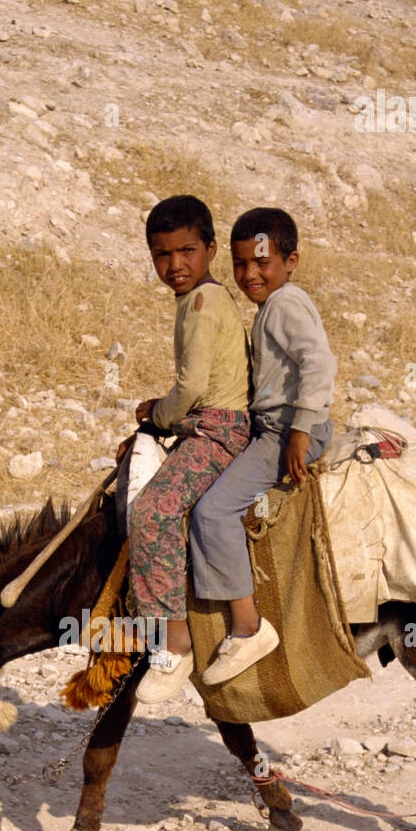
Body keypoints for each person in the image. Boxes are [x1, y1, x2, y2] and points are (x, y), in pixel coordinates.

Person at [189, 207, 337, 685]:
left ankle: (247, 626)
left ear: (291, 259)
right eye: (239, 265)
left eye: (262, 263)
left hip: (287, 430)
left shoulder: (285, 305)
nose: (249, 274)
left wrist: (299, 430)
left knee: (212, 512)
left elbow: (319, 363)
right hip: (273, 426)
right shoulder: (274, 306)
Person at [123, 194, 251, 704]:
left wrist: (158, 413)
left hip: (217, 428)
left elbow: (192, 386)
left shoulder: (200, 303)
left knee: (152, 511)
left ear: (212, 249)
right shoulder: (202, 299)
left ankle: (175, 643)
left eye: (187, 251)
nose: (175, 265)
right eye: (162, 254)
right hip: (210, 422)